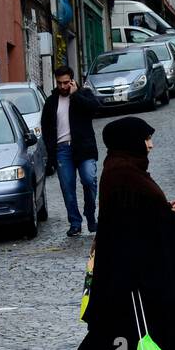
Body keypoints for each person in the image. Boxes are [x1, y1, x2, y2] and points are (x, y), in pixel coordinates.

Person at [63, 116, 175, 350]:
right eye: (146, 138)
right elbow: (130, 228)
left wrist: (165, 211)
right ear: (131, 140)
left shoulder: (125, 169)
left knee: (127, 338)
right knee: (139, 338)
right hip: (136, 277)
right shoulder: (122, 174)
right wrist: (168, 216)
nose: (151, 144)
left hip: (136, 273)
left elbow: (137, 217)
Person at [41, 65, 101, 237]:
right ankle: (75, 223)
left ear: (72, 81)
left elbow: (94, 109)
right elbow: (45, 127)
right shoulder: (51, 101)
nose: (62, 86)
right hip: (62, 150)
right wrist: (50, 150)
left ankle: (90, 214)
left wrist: (76, 95)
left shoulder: (83, 94)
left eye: (66, 83)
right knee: (67, 188)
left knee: (89, 180)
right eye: (59, 83)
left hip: (84, 148)